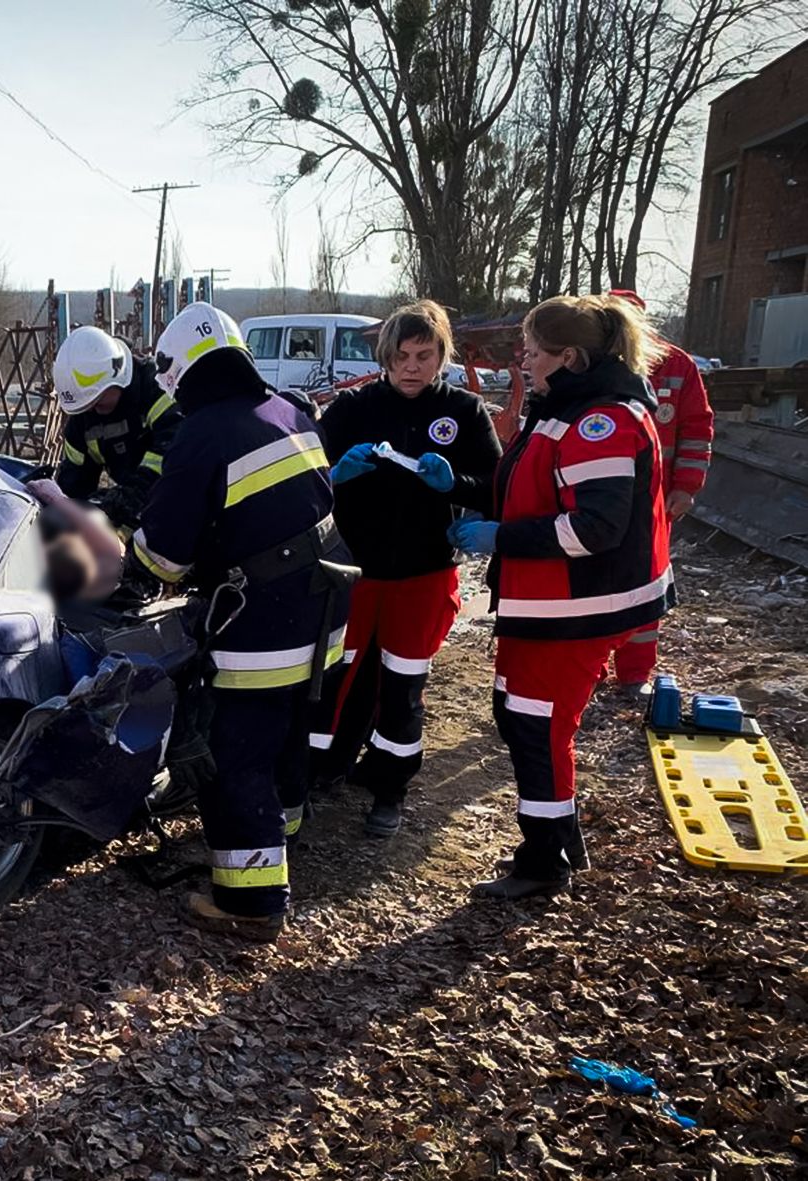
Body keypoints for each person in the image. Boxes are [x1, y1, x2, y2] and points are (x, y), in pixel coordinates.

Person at [125, 302, 354, 942]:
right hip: (326, 603)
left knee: (234, 752)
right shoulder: (289, 411)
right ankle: (279, 835)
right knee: (286, 732)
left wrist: (130, 551)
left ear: (179, 375)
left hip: (266, 618)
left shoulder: (202, 433)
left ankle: (251, 901)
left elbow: (165, 557)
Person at [448, 294, 673, 899]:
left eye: (532, 348)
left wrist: (503, 537)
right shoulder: (565, 408)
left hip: (577, 606)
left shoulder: (601, 420)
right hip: (547, 603)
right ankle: (562, 835)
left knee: (538, 726)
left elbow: (595, 529)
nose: (523, 357)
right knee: (517, 715)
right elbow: (529, 491)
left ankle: (544, 862)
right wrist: (469, 492)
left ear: (567, 356)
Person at [309, 300, 503, 838]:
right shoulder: (352, 408)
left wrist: (456, 487)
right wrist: (336, 474)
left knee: (403, 687)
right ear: (385, 358)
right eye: (400, 357)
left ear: (442, 354)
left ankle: (390, 787)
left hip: (423, 573)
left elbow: (496, 487)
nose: (411, 367)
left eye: (424, 355)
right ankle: (320, 768)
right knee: (333, 677)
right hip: (351, 572)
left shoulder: (464, 412)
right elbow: (305, 482)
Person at [605, 289, 714, 689]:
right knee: (594, 582)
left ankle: (634, 672)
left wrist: (686, 487)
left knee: (645, 585)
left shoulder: (675, 365)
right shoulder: (588, 362)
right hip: (599, 500)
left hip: (653, 504)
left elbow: (697, 429)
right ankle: (594, 662)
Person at [51, 324, 182, 529]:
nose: (92, 410)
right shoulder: (82, 418)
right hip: (135, 512)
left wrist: (134, 491)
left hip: (179, 501)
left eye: (97, 399)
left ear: (118, 377)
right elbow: (75, 484)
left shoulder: (154, 386)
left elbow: (176, 447)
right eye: (86, 405)